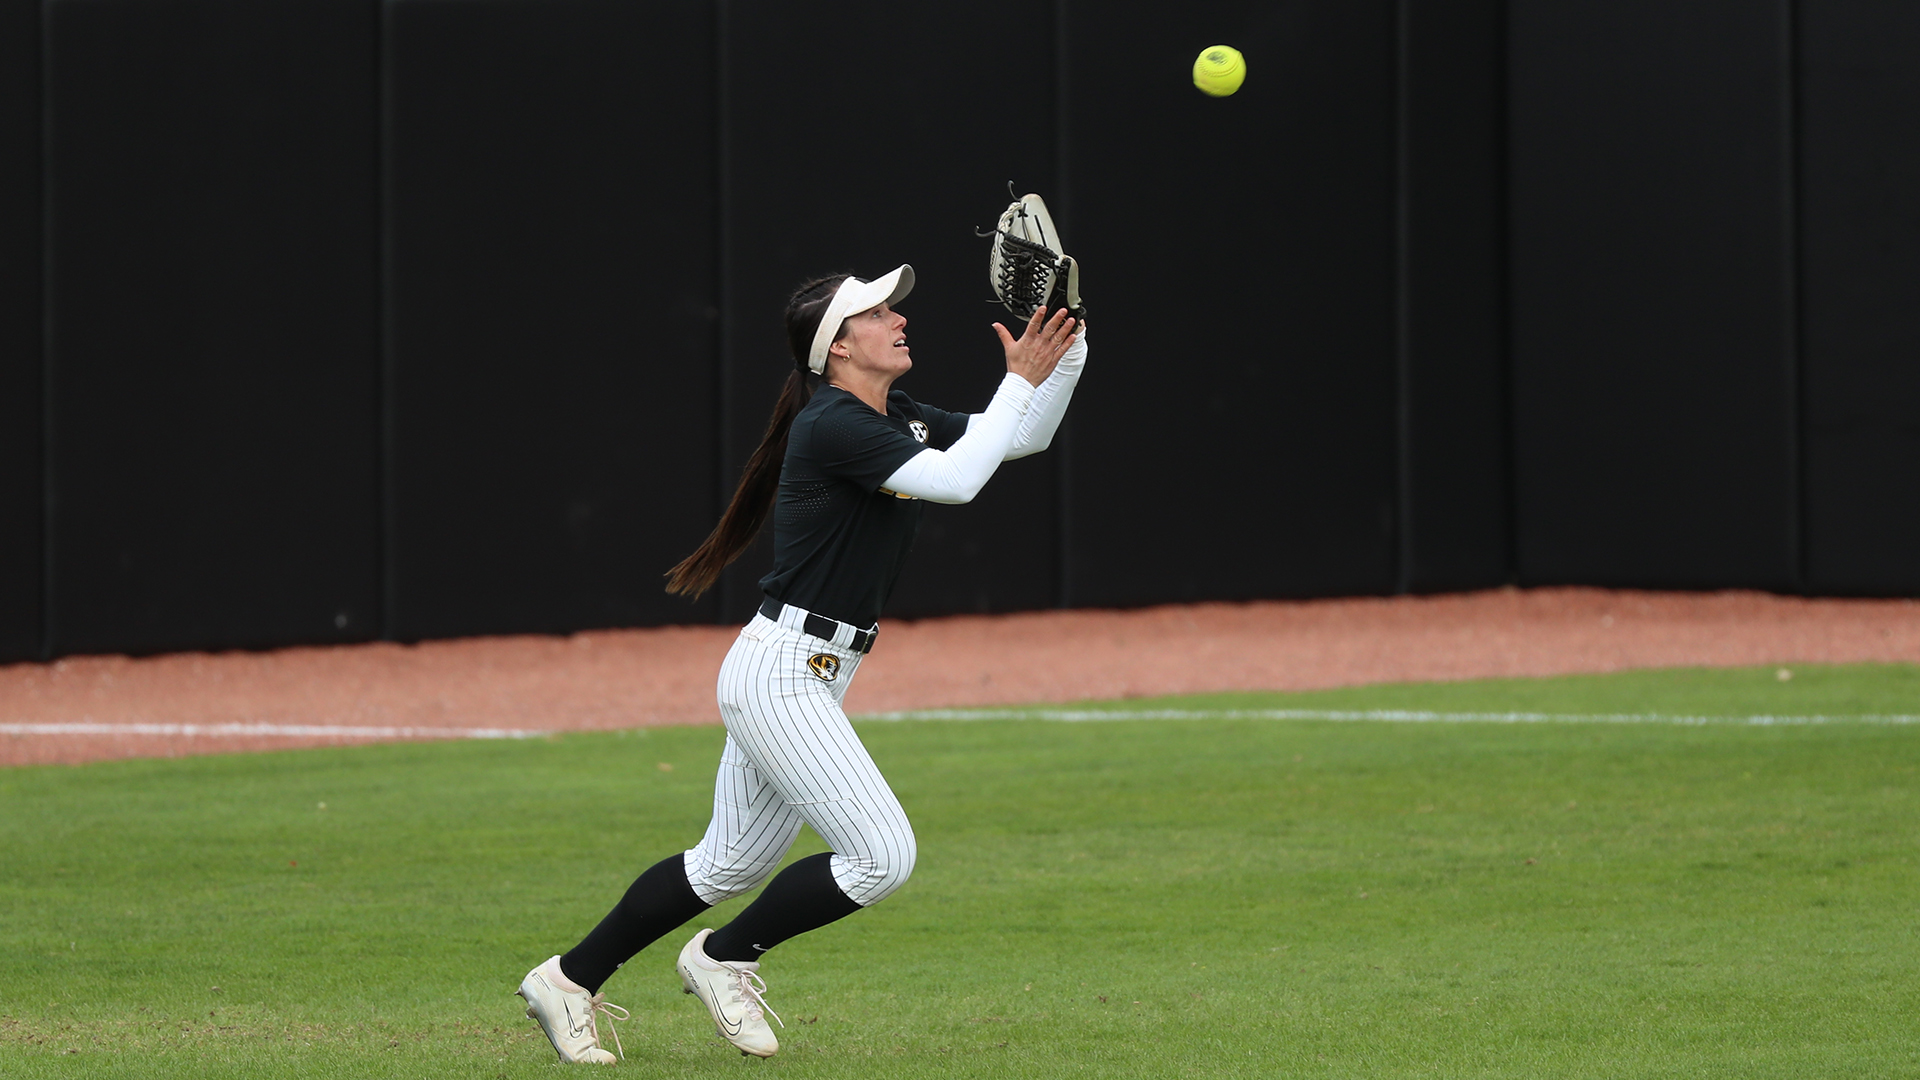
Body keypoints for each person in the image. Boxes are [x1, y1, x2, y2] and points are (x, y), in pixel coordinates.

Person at [516, 265, 1085, 1064]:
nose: (897, 320)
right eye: (878, 313)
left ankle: (566, 980)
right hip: (783, 672)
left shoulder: (896, 415)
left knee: (728, 862)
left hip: (801, 670)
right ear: (840, 348)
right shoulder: (834, 424)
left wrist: (1066, 356)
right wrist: (1021, 380)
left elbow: (1019, 436)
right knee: (883, 856)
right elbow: (957, 482)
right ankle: (724, 956)